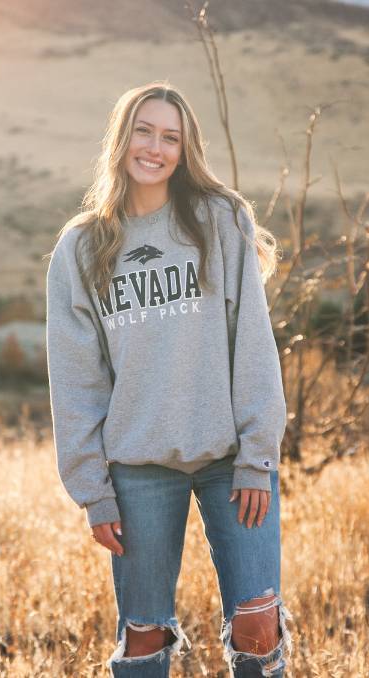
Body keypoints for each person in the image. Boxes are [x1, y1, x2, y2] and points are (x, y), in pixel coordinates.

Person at [45, 81, 293, 677]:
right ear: (121, 139)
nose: (155, 148)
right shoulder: (81, 247)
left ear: (186, 150)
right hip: (138, 467)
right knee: (143, 638)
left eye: (171, 137)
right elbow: (76, 380)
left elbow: (254, 343)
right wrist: (93, 489)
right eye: (144, 131)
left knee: (259, 627)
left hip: (231, 461)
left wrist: (258, 454)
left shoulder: (219, 218)